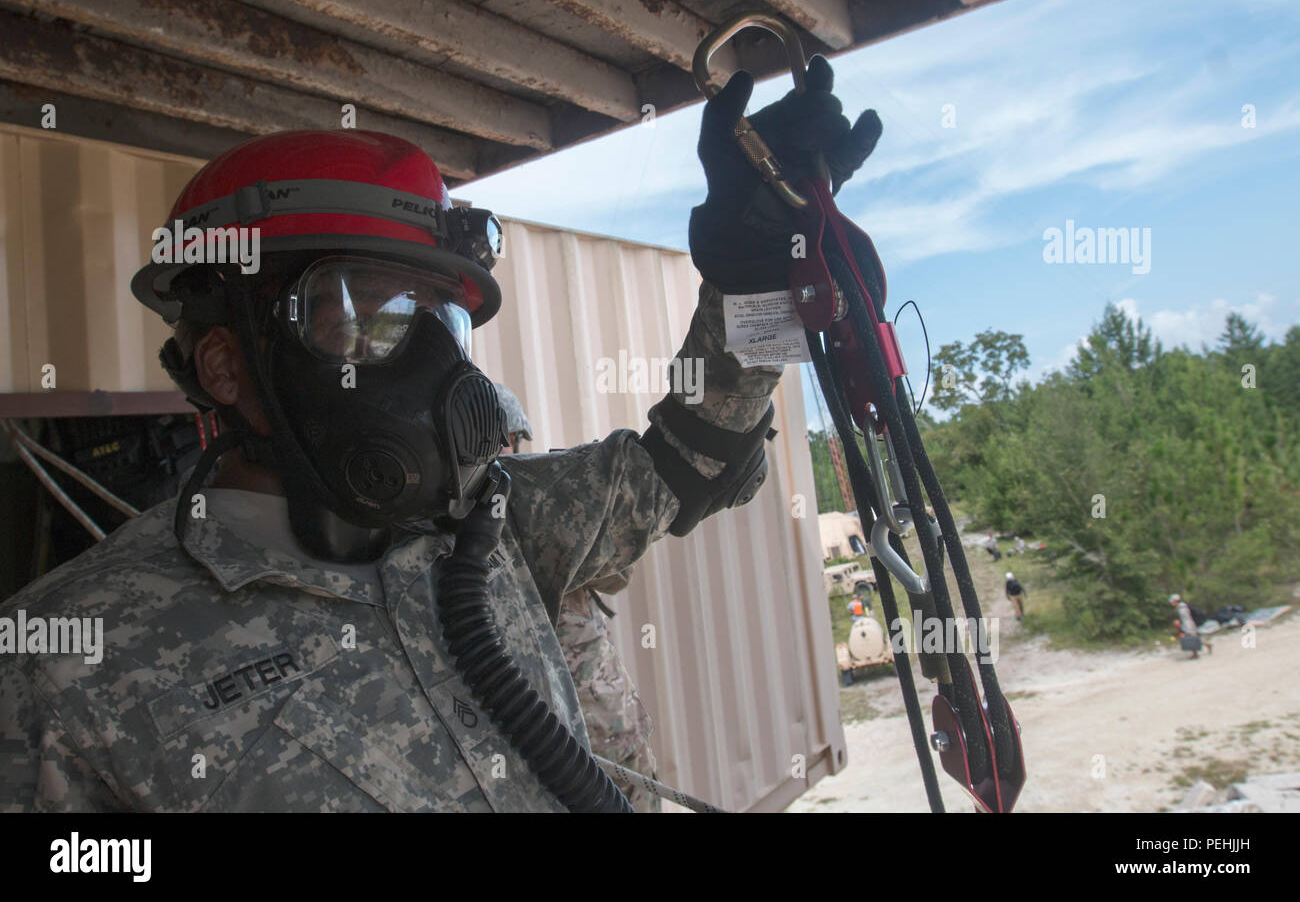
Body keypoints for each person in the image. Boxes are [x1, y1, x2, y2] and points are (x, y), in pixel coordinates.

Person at [0, 55, 883, 811]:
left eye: (437, 318)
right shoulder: (64, 665)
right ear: (229, 364)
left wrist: (757, 274)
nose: (430, 363)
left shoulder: (494, 527)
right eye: (372, 315)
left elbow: (692, 457)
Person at [495, 383, 661, 813]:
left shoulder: (534, 511)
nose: (506, 454)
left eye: (508, 442)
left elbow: (615, 574)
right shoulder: (479, 531)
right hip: (570, 753)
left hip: (615, 733)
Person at [1169, 593, 1212, 659]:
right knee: (1193, 639)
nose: (1171, 603)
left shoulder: (1182, 608)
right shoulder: (1182, 606)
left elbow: (1187, 619)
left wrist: (1186, 628)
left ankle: (1198, 652)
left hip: (1189, 626)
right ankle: (1206, 646)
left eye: (1172, 602)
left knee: (1191, 639)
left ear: (1175, 601)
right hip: (1189, 626)